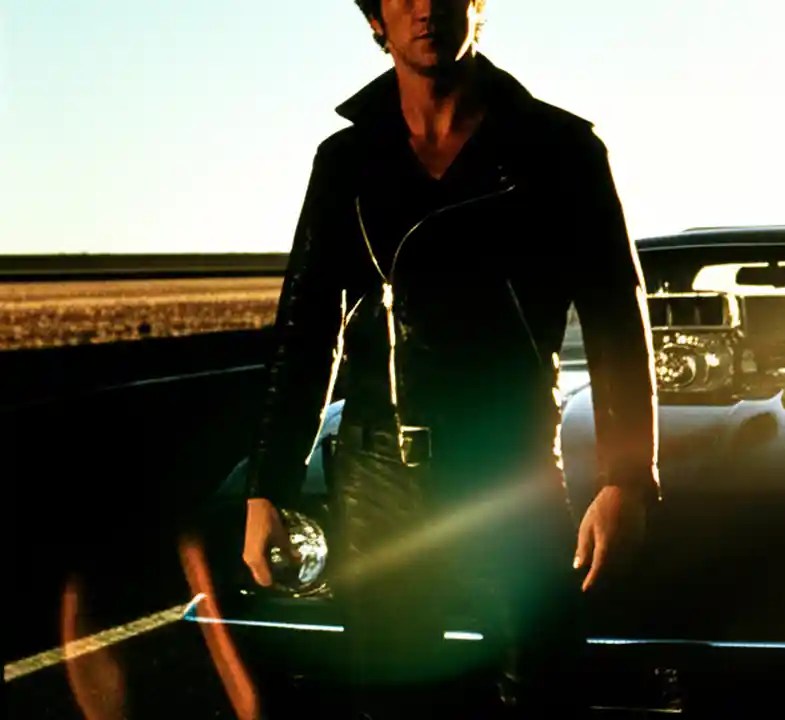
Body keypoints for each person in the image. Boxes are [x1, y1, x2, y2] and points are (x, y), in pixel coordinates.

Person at [238, 0, 661, 716]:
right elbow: (306, 327)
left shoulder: (561, 151)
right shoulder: (347, 161)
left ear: (477, 5)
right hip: (378, 483)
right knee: (397, 699)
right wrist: (268, 482)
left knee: (542, 689)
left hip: (508, 475)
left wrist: (629, 477)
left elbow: (617, 321)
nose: (425, 6)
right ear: (377, 21)